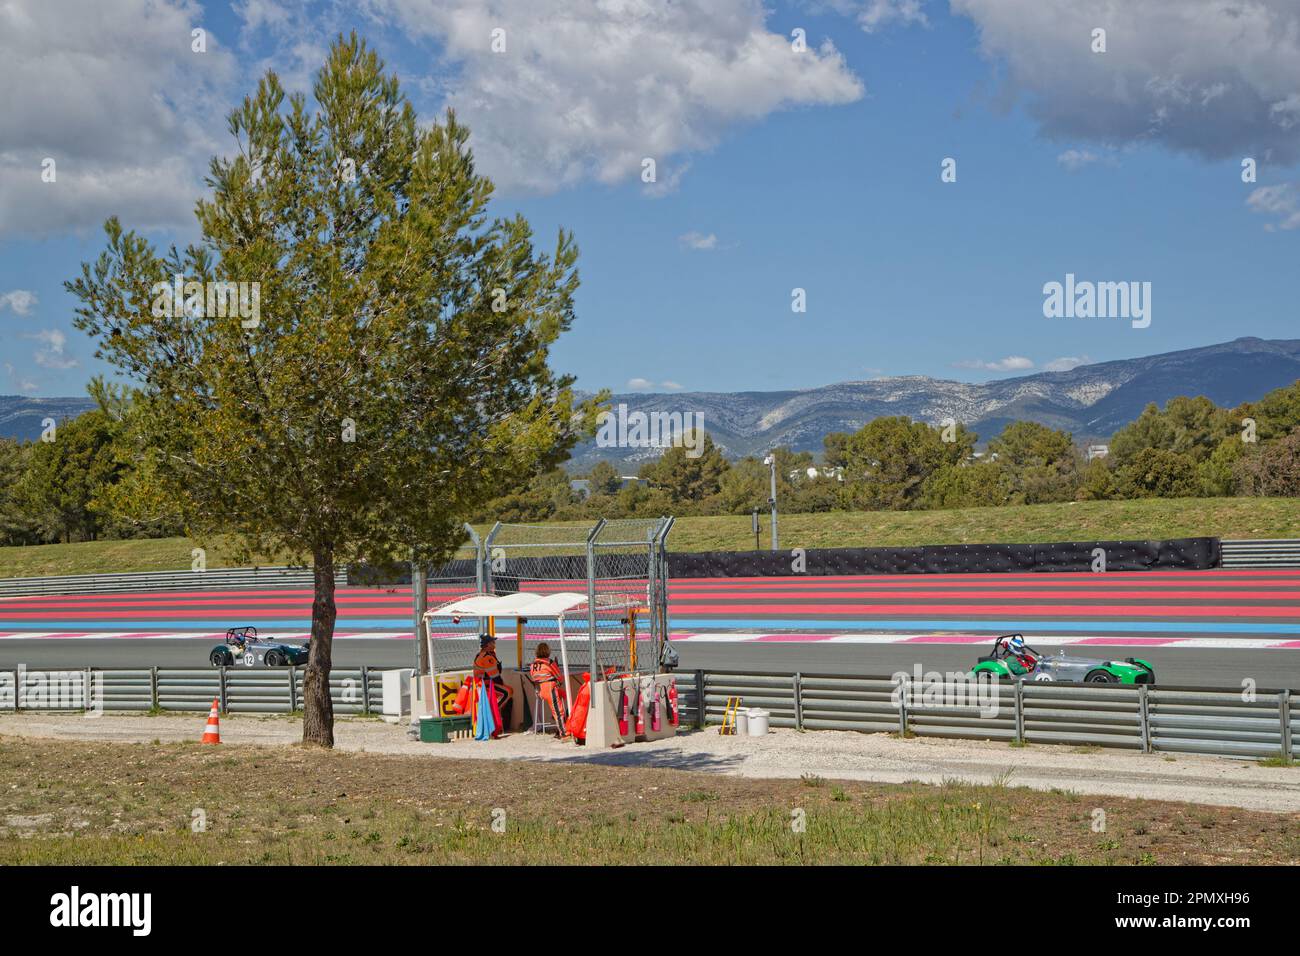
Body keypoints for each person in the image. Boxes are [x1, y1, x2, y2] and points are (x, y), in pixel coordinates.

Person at [473, 634, 513, 734]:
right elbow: (495, 677)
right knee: (507, 693)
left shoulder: (489, 654)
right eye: (492, 642)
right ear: (487, 645)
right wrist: (502, 686)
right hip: (484, 685)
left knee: (509, 697)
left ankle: (503, 725)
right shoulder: (486, 657)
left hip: (488, 683)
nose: (494, 643)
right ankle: (491, 714)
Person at [528, 642, 568, 737]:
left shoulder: (533, 664)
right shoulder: (549, 662)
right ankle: (563, 732)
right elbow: (559, 677)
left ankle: (560, 723)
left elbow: (533, 677)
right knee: (558, 711)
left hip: (538, 691)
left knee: (562, 696)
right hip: (549, 689)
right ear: (547, 651)